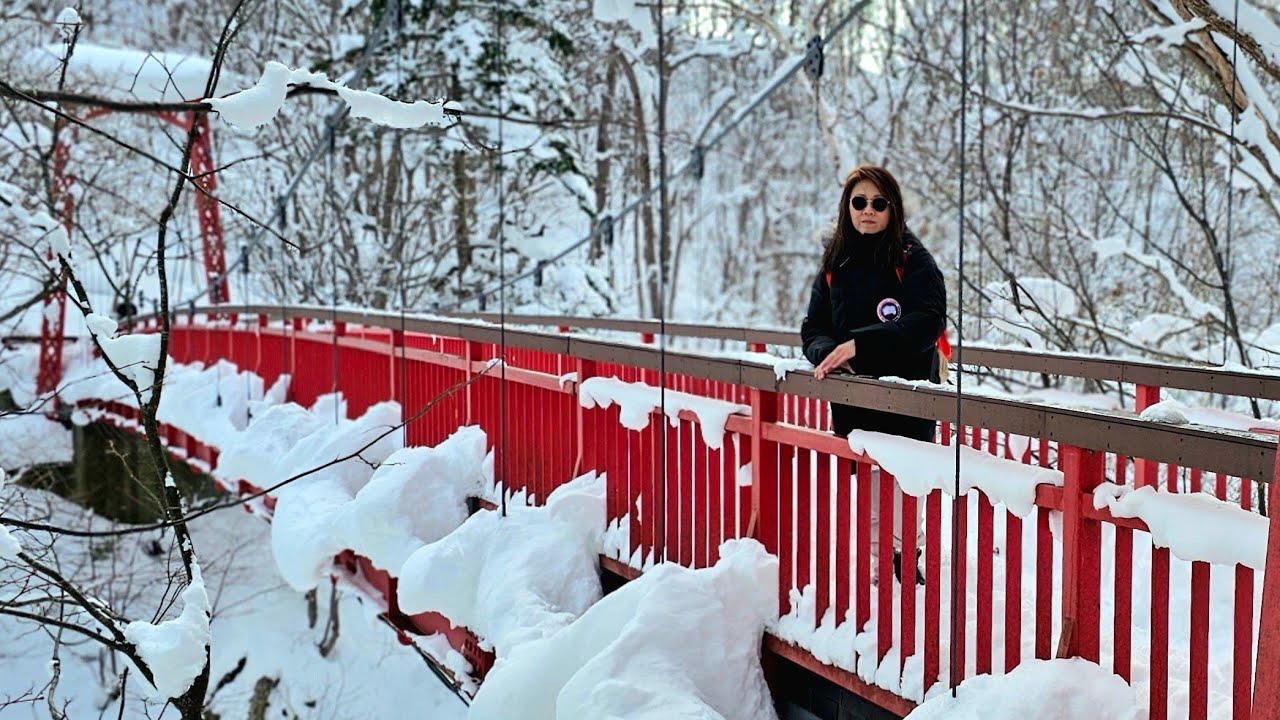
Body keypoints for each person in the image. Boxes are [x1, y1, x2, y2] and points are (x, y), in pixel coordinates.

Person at [800, 164, 946, 584]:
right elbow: (813, 328)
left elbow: (928, 320)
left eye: (878, 203)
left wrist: (862, 343)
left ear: (892, 208)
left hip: (906, 397)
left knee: (905, 486)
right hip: (855, 401)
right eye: (859, 202)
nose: (868, 211)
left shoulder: (911, 259)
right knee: (869, 490)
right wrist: (828, 352)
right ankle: (878, 573)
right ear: (847, 207)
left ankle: (904, 568)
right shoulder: (836, 261)